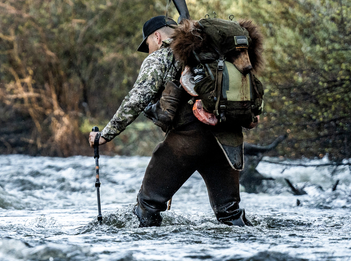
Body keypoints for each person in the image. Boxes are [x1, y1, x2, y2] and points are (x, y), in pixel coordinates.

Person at [89, 15, 251, 227]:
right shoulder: (211, 54)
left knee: (146, 207)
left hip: (188, 140)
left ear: (156, 37)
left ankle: (151, 257)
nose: (148, 50)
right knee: (229, 214)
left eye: (147, 45)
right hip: (227, 140)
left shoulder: (162, 56)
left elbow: (136, 99)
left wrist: (105, 135)